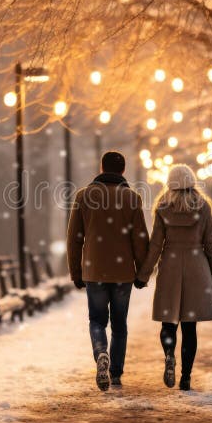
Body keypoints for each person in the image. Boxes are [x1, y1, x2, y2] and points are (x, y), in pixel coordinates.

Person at [67, 151, 149, 391]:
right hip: (123, 272)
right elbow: (140, 239)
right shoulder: (132, 198)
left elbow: (74, 239)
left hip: (94, 271)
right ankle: (115, 373)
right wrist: (142, 273)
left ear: (102, 168)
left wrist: (76, 271)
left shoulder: (84, 196)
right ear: (123, 170)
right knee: (120, 325)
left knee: (97, 320)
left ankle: (101, 352)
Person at [136, 164, 212, 391]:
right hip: (197, 268)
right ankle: (186, 376)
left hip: (170, 268)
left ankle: (169, 357)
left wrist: (143, 275)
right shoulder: (203, 207)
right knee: (189, 327)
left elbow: (155, 245)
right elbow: (211, 245)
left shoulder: (163, 207)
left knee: (168, 323)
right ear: (192, 182)